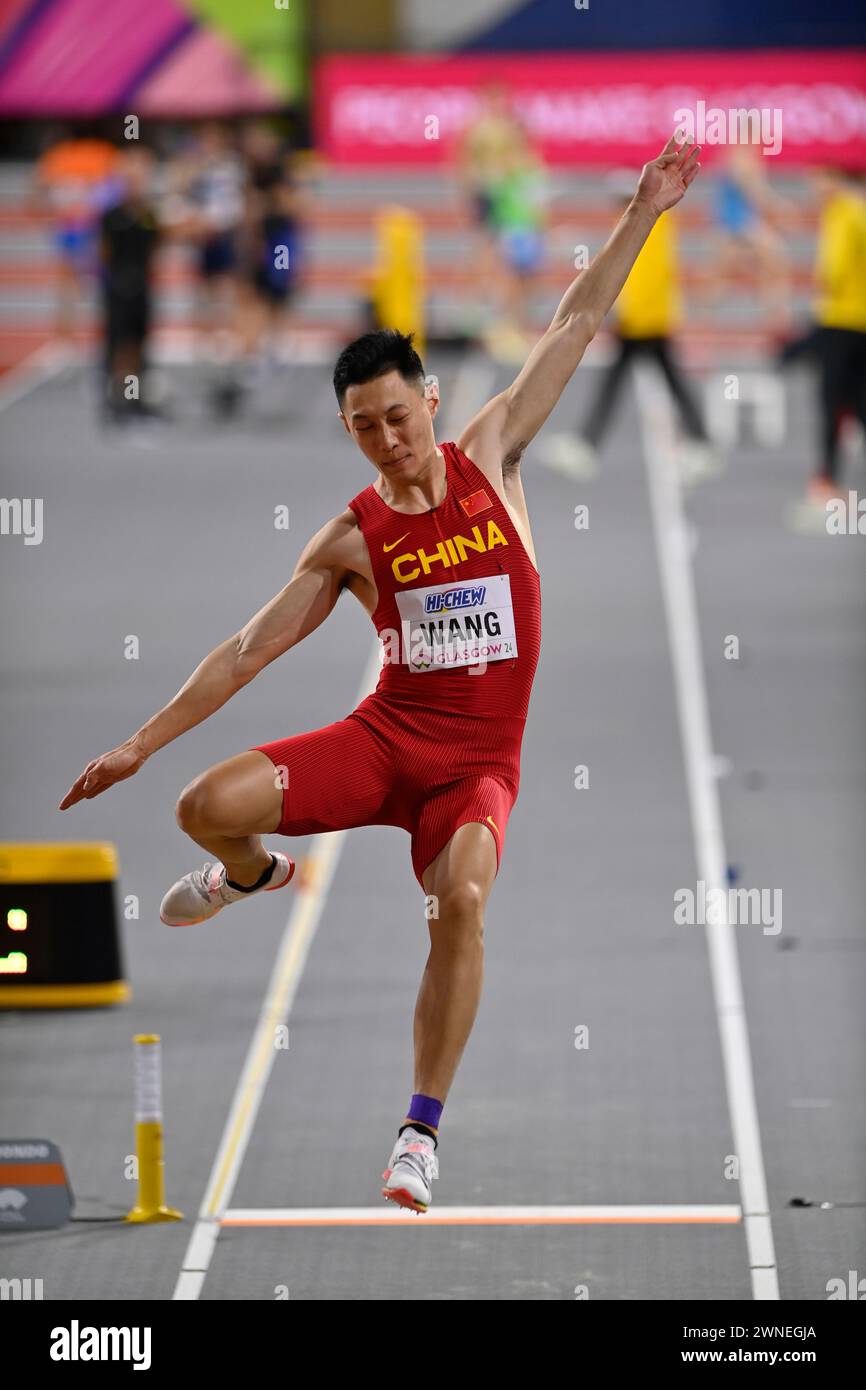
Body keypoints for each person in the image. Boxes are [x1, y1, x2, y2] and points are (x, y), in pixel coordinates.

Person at [58, 135, 701, 1214]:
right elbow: (248, 651)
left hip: (473, 769)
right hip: (383, 742)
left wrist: (642, 210)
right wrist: (137, 744)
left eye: (399, 418)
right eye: (365, 428)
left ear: (431, 401)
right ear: (347, 430)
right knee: (200, 807)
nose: (388, 441)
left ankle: (418, 1135)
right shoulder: (351, 539)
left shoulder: (490, 456)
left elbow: (574, 323)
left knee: (461, 904)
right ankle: (253, 876)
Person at [565, 171, 712, 480]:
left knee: (624, 384)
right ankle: (700, 441)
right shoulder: (645, 224)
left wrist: (627, 315)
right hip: (645, 321)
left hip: (645, 323)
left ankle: (587, 444)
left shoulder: (647, 227)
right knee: (654, 382)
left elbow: (647, 278)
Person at [786, 166, 866, 531]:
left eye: (819, 178)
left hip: (840, 323)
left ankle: (826, 489)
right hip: (856, 323)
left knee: (832, 406)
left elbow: (832, 272)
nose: (813, 186)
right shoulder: (855, 210)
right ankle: (827, 485)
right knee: (856, 404)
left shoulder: (843, 213)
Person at [98, 146, 161, 424]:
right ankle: (116, 399)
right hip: (119, 288)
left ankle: (134, 397)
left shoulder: (148, 214)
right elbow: (103, 252)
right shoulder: (112, 216)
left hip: (141, 287)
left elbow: (158, 243)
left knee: (138, 344)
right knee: (119, 344)